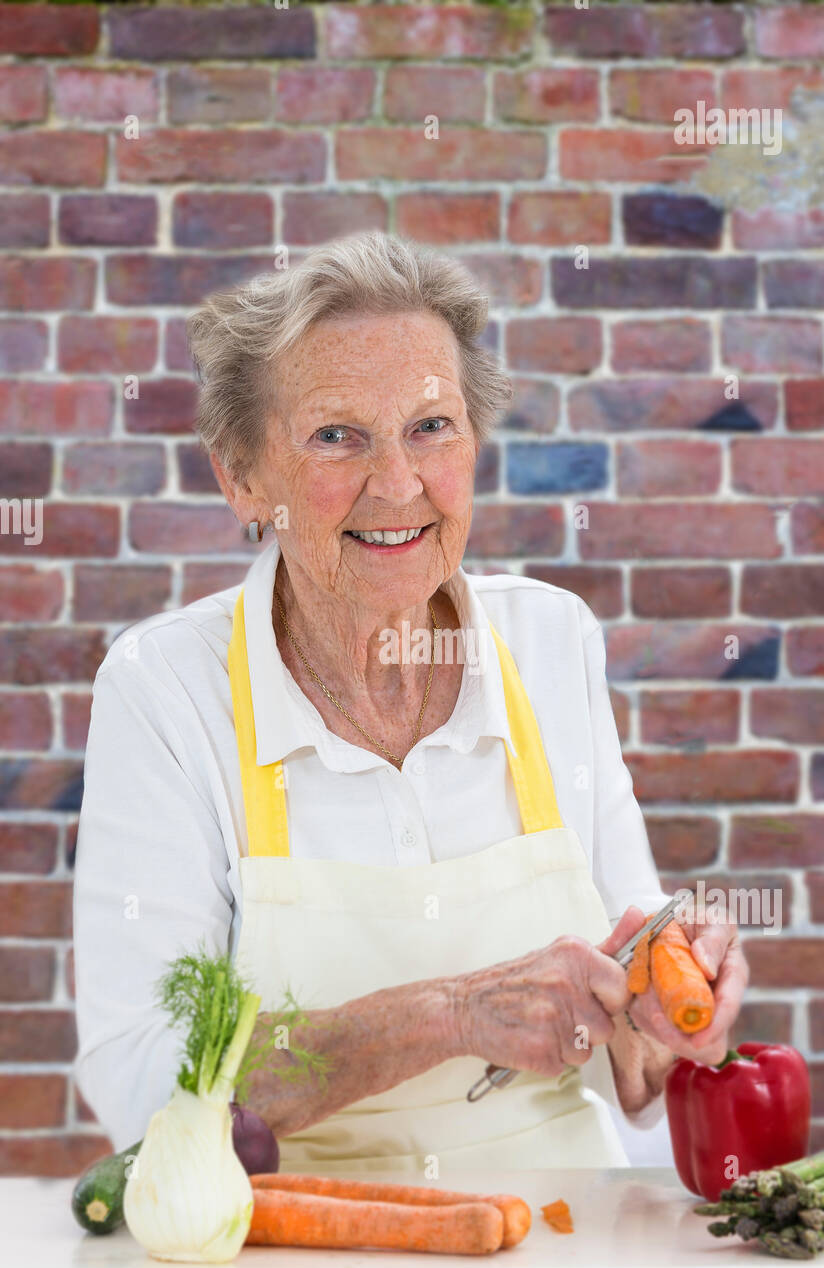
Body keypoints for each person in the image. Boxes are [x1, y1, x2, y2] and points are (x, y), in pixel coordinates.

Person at [73, 231, 747, 1173]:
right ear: (242, 476)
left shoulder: (553, 641)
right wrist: (452, 1014)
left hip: (571, 1235)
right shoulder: (163, 692)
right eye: (336, 436)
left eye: (431, 427)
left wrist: (671, 1002)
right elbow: (145, 1086)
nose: (397, 485)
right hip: (299, 1249)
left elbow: (633, 1066)